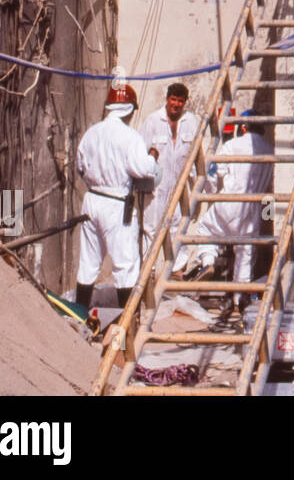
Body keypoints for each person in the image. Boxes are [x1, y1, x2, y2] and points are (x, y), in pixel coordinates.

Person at [174, 111, 272, 310]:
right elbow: (269, 191)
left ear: (243, 127)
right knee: (245, 254)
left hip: (228, 202)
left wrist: (214, 193)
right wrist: (265, 219)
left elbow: (215, 172)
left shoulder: (231, 145)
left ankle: (207, 261)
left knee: (207, 232)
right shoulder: (270, 150)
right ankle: (239, 299)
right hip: (252, 210)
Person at [75, 84, 161, 310]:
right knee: (125, 265)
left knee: (88, 262)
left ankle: (79, 317)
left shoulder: (91, 133)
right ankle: (126, 327)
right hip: (117, 203)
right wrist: (152, 156)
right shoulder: (130, 136)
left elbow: (81, 168)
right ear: (130, 110)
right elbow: (144, 170)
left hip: (92, 199)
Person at [138, 82, 199, 251]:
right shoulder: (153, 121)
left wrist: (195, 187)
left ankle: (176, 271)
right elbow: (142, 155)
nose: (176, 104)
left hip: (179, 186)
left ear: (185, 102)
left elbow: (195, 156)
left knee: (177, 227)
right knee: (151, 228)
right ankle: (148, 273)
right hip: (156, 187)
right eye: (173, 99)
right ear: (167, 99)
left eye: (181, 101)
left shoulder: (190, 121)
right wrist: (144, 184)